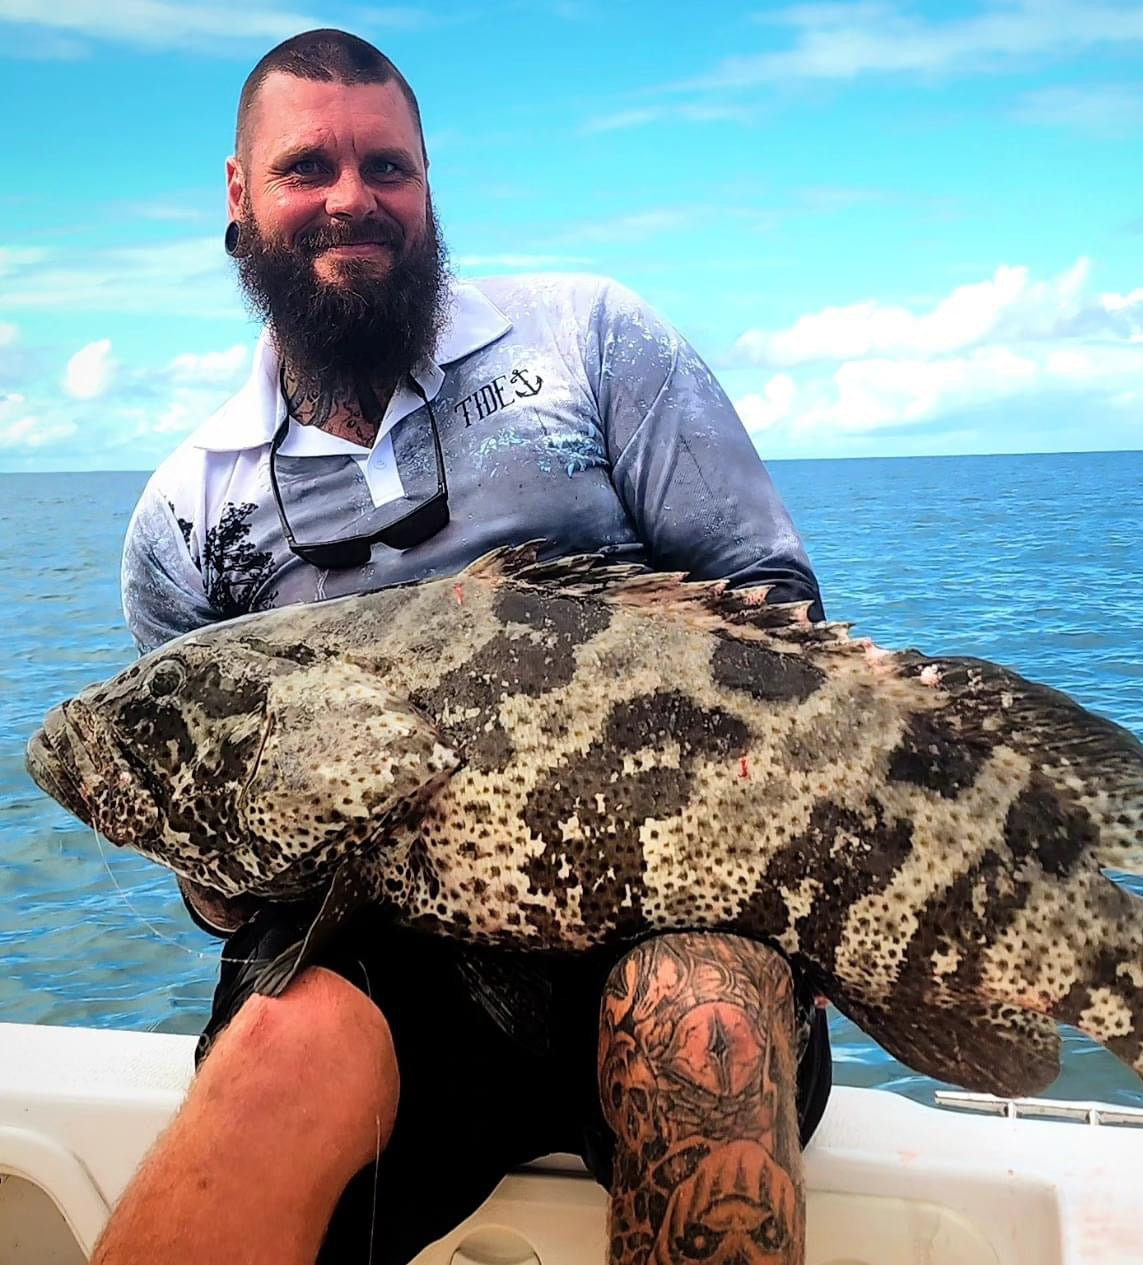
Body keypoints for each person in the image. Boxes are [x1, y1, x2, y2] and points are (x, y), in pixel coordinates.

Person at [102, 27, 830, 1265]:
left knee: (698, 1015)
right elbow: (217, 892)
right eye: (306, 168)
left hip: (672, 911)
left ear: (429, 184)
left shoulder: (592, 341)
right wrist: (219, 861)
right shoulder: (185, 515)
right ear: (241, 193)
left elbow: (770, 605)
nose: (352, 198)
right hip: (383, 957)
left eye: (387, 166)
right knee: (281, 1045)